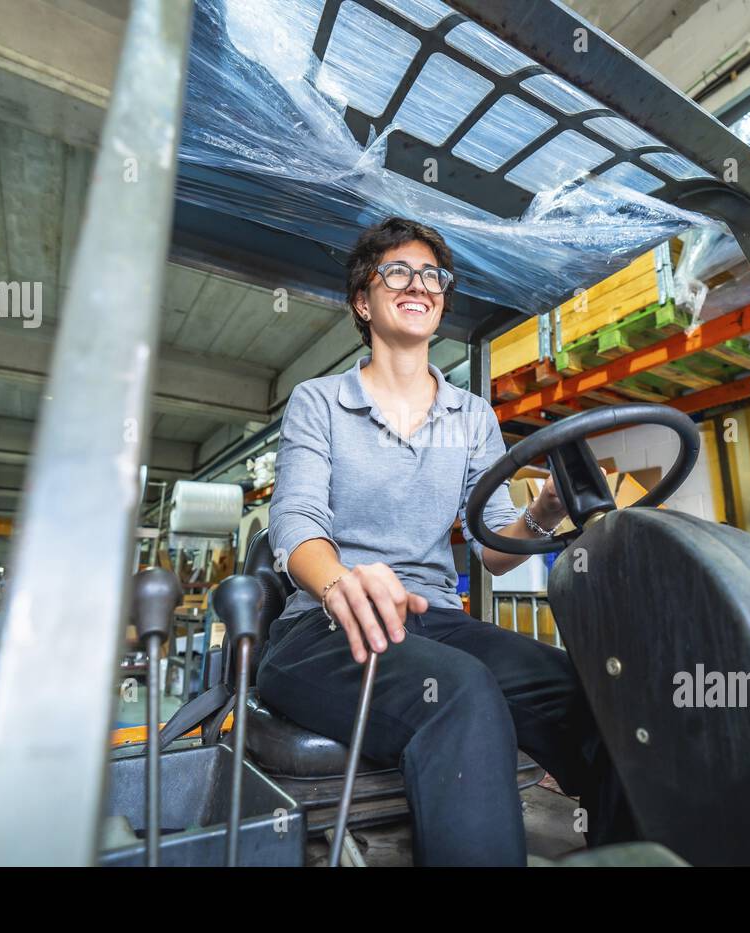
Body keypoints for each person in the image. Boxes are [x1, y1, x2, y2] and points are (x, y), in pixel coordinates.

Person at [263, 216, 637, 865]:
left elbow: (491, 548)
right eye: (398, 272)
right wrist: (340, 582)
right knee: (460, 691)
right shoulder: (318, 401)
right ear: (363, 300)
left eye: (433, 275)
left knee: (599, 699)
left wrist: (543, 514)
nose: (420, 284)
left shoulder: (471, 416)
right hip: (326, 628)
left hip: (434, 622)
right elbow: (295, 521)